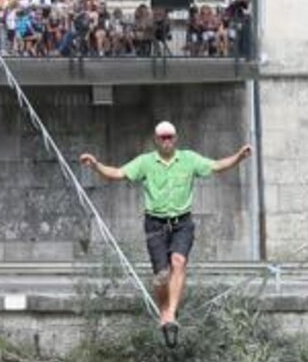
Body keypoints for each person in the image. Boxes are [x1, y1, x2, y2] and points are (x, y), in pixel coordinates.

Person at [80, 122, 251, 346]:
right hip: (155, 224)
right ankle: (164, 312)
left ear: (175, 138)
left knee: (178, 262)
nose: (166, 141)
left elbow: (217, 165)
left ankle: (171, 312)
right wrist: (96, 165)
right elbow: (118, 173)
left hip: (182, 222)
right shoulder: (146, 162)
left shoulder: (189, 159)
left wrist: (239, 157)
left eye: (170, 137)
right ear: (156, 140)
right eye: (162, 137)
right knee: (161, 275)